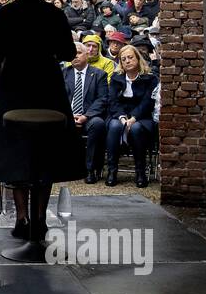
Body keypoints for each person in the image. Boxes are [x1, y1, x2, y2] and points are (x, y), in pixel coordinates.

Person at [0, 0, 85, 252]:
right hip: (47, 88)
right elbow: (68, 52)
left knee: (16, 151)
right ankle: (40, 219)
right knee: (45, 153)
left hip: (15, 89)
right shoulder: (54, 13)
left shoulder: (5, 13)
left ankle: (22, 219)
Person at [105, 44, 157, 188]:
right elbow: (113, 101)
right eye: (123, 59)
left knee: (135, 129)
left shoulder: (150, 78)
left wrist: (133, 118)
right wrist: (122, 117)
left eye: (130, 57)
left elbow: (148, 102)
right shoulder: (116, 77)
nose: (127, 61)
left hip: (141, 117)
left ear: (137, 58)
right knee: (115, 126)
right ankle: (112, 171)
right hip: (119, 115)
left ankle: (140, 172)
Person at [63, 41, 109, 183]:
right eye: (72, 53)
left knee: (98, 123)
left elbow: (102, 99)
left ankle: (90, 169)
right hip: (67, 116)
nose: (74, 56)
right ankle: (60, 167)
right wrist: (69, 116)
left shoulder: (99, 74)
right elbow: (56, 98)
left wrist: (85, 116)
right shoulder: (63, 73)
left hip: (89, 117)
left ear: (87, 54)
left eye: (78, 53)